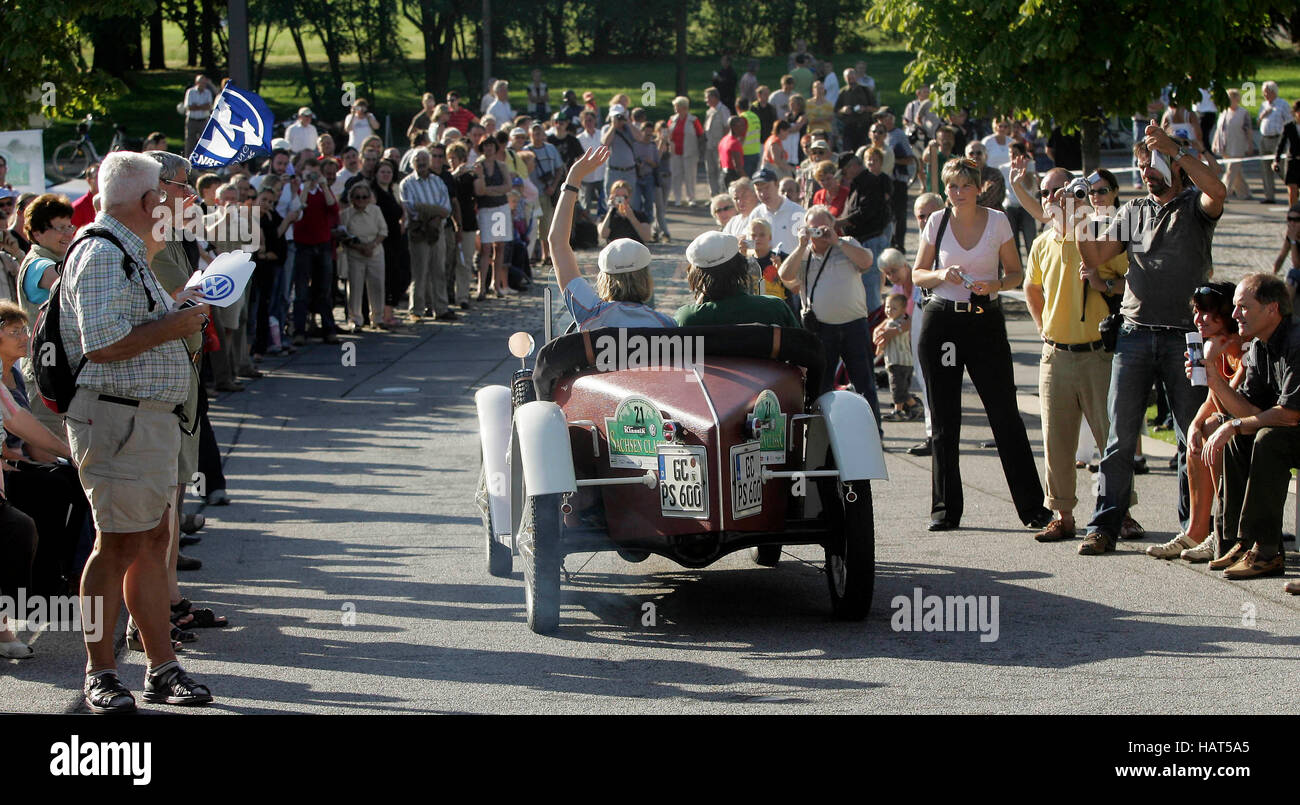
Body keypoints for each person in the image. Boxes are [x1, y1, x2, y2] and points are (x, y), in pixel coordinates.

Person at [60, 151, 214, 712]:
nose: (185, 202)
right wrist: (175, 321)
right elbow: (102, 341)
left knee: (149, 541)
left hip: (142, 418)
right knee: (117, 547)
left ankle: (160, 667)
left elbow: (124, 327)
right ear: (149, 201)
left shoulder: (126, 248)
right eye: (176, 193)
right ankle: (100, 674)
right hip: (119, 419)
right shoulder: (104, 251)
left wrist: (178, 310)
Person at [1075, 123, 1225, 555]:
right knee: (1120, 437)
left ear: (1174, 166)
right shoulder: (1136, 211)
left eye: (1153, 164)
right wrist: (1076, 215)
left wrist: (1176, 151)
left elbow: (1219, 189)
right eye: (1141, 166)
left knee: (1189, 436)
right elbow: (1098, 257)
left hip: (1186, 336)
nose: (1146, 173)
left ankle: (1193, 528)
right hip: (1134, 334)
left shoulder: (1196, 205)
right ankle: (1104, 525)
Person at [911, 158, 1052, 532]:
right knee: (944, 418)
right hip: (941, 318)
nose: (958, 193)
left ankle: (1032, 507)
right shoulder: (936, 221)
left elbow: (1016, 273)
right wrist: (941, 274)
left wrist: (995, 285)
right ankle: (945, 509)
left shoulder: (998, 220)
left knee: (1004, 413)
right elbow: (917, 272)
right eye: (952, 186)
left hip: (984, 317)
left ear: (979, 188)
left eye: (964, 186)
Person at [1021, 167, 1131, 543]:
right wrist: (1042, 329)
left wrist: (1105, 284)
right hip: (1055, 355)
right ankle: (1062, 514)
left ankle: (1122, 512)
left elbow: (1127, 281)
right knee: (1056, 440)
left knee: (1109, 438)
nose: (1052, 197)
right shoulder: (1041, 243)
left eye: (1059, 190)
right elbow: (1031, 290)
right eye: (1046, 192)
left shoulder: (1099, 237)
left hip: (1096, 354)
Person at [1195, 274, 1299, 580]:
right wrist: (1212, 375)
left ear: (1272, 309)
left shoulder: (1295, 341)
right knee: (1239, 433)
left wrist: (1236, 424)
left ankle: (1267, 551)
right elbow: (1249, 410)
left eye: (1243, 307)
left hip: (1293, 426)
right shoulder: (1258, 347)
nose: (1235, 314)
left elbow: (1291, 415)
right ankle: (1241, 541)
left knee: (1266, 438)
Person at [1145, 283, 1245, 559]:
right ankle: (1195, 532)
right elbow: (1213, 401)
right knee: (1200, 433)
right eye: (1197, 313)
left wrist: (1209, 366)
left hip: (1257, 423)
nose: (1198, 320)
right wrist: (1193, 425)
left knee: (1213, 427)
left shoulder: (1245, 347)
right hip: (1235, 421)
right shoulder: (1219, 346)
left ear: (1224, 316)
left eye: (1205, 313)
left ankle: (1222, 531)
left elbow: (1232, 405)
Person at [778, 205, 881, 428]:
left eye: (822, 227)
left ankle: (872, 431)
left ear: (833, 225)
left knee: (864, 382)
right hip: (821, 330)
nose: (818, 233)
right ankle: (819, 431)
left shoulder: (848, 244)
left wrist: (838, 241)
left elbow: (866, 262)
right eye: (812, 228)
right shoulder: (803, 255)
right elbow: (785, 275)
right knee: (820, 385)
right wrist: (800, 245)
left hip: (854, 325)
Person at [550, 147, 674, 330]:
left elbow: (557, 242)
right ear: (646, 278)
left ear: (603, 279)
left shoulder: (590, 313)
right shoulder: (665, 324)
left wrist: (573, 180)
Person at [675, 230, 799, 327]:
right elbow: (802, 347)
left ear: (695, 275)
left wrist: (700, 301)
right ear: (742, 266)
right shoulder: (774, 308)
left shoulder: (687, 317)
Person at [400, 150, 456, 318]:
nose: (422, 163)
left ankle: (441, 308)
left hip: (437, 229)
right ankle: (416, 310)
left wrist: (436, 216)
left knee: (439, 270)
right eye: (418, 160)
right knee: (419, 272)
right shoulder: (407, 183)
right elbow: (411, 207)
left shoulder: (437, 181)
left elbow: (446, 207)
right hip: (419, 230)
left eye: (425, 159)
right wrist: (433, 212)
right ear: (412, 163)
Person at [338, 182, 387, 332]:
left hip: (375, 251)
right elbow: (344, 236)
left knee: (377, 285)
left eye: (364, 197)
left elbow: (383, 231)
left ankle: (378, 318)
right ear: (351, 198)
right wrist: (359, 248)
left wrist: (371, 246)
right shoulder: (345, 214)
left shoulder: (376, 211)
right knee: (354, 287)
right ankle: (355, 319)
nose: (361, 200)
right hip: (355, 254)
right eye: (357, 197)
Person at [473, 136, 513, 298]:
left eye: (491, 146)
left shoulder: (501, 166)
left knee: (500, 246)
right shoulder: (478, 166)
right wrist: (495, 189)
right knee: (486, 248)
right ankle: (481, 286)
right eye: (486, 146)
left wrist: (490, 189)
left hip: (500, 208)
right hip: (486, 209)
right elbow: (479, 191)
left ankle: (495, 284)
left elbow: (508, 186)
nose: (488, 149)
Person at [877, 292, 923, 421]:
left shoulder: (892, 325)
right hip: (906, 361)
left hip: (896, 361)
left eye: (894, 308)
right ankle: (903, 409)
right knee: (902, 387)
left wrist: (878, 348)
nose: (889, 310)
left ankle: (905, 409)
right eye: (887, 307)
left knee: (897, 388)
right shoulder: (903, 321)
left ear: (903, 309)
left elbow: (883, 340)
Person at [748, 168, 805, 255]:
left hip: (792, 266)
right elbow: (751, 246)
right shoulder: (756, 214)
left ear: (777, 185)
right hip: (766, 267)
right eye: (759, 190)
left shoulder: (797, 212)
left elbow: (807, 246)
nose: (763, 194)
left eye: (767, 188)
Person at [744, 217, 795, 312]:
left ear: (770, 237)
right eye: (753, 235)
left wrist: (780, 269)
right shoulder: (745, 262)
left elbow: (795, 288)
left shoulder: (782, 258)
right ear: (748, 238)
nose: (757, 238)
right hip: (755, 313)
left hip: (781, 312)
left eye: (762, 235)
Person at [1213, 89, 1256, 201]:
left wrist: (1250, 145)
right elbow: (1219, 130)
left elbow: (1248, 130)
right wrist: (1215, 143)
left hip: (1238, 145)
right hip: (1225, 146)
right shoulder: (1224, 112)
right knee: (1235, 172)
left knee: (1231, 170)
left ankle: (1222, 193)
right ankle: (1244, 193)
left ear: (1236, 99)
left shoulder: (1244, 113)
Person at [666, 97, 704, 206]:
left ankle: (691, 198)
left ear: (684, 107)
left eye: (677, 106)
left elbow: (700, 135)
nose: (675, 108)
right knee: (676, 176)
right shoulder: (672, 119)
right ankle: (677, 198)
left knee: (690, 176)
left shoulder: (693, 120)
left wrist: (700, 152)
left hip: (690, 152)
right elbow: (667, 133)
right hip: (675, 152)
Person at [1258, 81, 1289, 205]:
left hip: (1278, 139)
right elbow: (1258, 122)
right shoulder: (1263, 105)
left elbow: (1288, 122)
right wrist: (1262, 115)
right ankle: (1269, 196)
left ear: (1274, 92)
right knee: (1265, 169)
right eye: (1264, 92)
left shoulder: (1282, 104)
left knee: (1280, 168)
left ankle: (1292, 188)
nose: (1265, 94)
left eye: (1267, 91)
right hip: (1264, 138)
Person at [600, 180, 652, 245]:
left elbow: (646, 238)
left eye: (624, 197)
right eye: (617, 197)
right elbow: (603, 234)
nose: (621, 200)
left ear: (629, 197)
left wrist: (632, 218)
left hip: (634, 251)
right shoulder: (607, 217)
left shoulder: (640, 216)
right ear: (612, 197)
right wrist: (611, 210)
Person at [1271, 101, 1300, 208]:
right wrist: (1276, 160)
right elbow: (1281, 145)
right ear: (1295, 112)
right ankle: (1293, 213)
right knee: (1292, 191)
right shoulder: (1289, 126)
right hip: (1292, 162)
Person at [181, 74, 214, 157]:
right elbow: (189, 107)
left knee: (205, 142)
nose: (203, 85)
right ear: (197, 83)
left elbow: (209, 107)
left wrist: (197, 106)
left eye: (204, 83)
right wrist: (202, 106)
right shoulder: (190, 92)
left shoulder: (208, 93)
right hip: (192, 120)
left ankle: (203, 161)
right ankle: (188, 161)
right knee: (190, 142)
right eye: (201, 83)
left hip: (203, 120)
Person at [719, 116, 748, 187]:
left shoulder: (723, 140)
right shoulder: (734, 143)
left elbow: (720, 161)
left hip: (723, 175)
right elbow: (738, 167)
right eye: (741, 126)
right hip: (733, 177)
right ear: (734, 127)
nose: (744, 128)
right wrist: (747, 180)